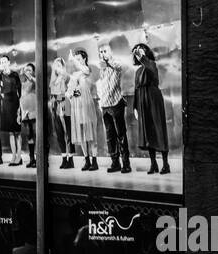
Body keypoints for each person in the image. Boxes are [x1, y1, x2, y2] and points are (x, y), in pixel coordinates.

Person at [131, 43, 170, 174]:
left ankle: (166, 164)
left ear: (146, 53)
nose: (138, 55)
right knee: (147, 133)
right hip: (142, 101)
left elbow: (150, 69)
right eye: (136, 53)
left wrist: (143, 57)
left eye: (141, 52)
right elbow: (136, 89)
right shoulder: (137, 71)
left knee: (158, 130)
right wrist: (135, 107)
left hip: (153, 99)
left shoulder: (151, 64)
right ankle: (154, 164)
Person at [96, 43, 132, 173]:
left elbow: (120, 67)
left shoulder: (115, 62)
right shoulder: (102, 68)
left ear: (110, 52)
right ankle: (115, 162)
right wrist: (101, 103)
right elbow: (101, 85)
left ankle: (126, 164)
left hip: (116, 103)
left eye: (105, 51)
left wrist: (108, 61)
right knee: (110, 136)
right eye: (101, 52)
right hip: (105, 105)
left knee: (120, 134)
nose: (103, 54)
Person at [67, 49, 101, 171]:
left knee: (91, 134)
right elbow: (68, 92)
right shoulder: (75, 75)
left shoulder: (88, 71)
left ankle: (94, 160)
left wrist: (74, 61)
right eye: (76, 60)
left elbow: (85, 71)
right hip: (77, 107)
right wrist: (73, 92)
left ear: (84, 59)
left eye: (79, 59)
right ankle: (86, 159)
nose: (77, 62)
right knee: (81, 134)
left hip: (88, 106)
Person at [0, 55, 23, 166]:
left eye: (5, 61)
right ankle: (13, 156)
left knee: (17, 132)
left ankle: (19, 156)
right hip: (6, 104)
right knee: (10, 133)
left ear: (8, 62)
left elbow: (20, 91)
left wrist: (19, 108)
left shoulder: (14, 74)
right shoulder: (0, 75)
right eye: (1, 62)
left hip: (14, 103)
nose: (3, 63)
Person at [48, 57, 73, 169]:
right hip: (55, 105)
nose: (57, 68)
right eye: (55, 66)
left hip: (64, 103)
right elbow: (52, 93)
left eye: (59, 65)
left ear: (63, 66)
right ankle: (63, 157)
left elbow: (70, 90)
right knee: (59, 133)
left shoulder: (66, 77)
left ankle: (70, 159)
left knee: (68, 132)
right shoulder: (53, 79)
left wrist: (63, 73)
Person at [19, 62, 39, 168]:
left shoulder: (35, 81)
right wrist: (20, 113)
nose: (27, 72)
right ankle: (32, 159)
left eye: (29, 70)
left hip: (35, 112)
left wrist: (30, 76)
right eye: (26, 70)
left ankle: (40, 158)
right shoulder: (23, 83)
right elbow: (21, 97)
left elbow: (38, 83)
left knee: (37, 135)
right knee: (29, 136)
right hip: (25, 113)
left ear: (33, 72)